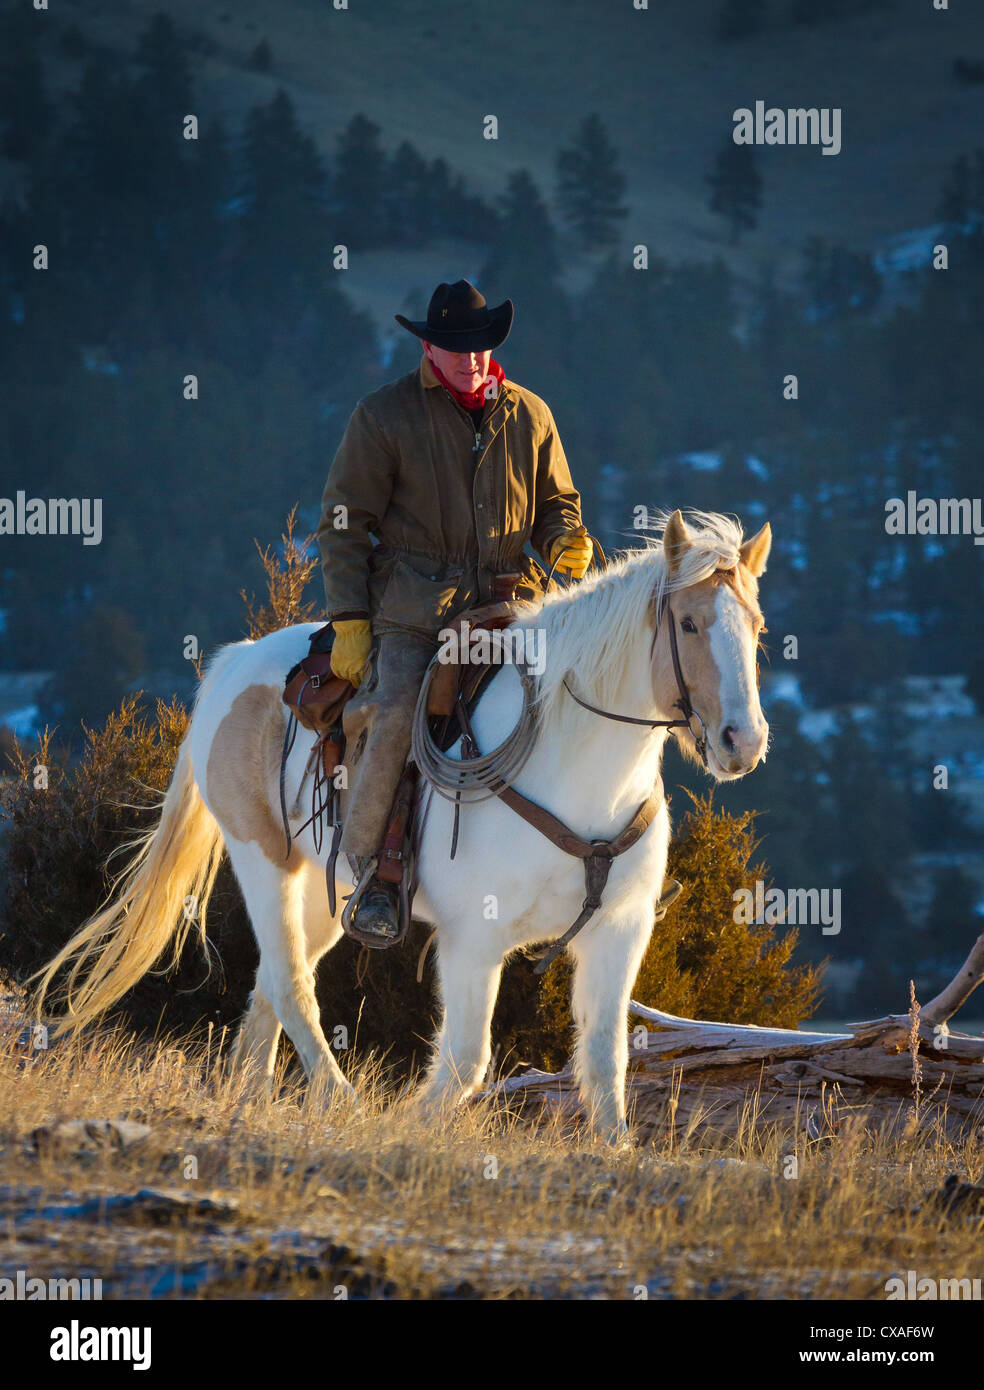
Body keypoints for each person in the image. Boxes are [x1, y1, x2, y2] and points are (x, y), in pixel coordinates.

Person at [316, 278, 591, 947]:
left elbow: (558, 505)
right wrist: (352, 618)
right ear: (428, 347)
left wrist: (568, 543)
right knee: (394, 717)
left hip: (512, 604)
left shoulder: (530, 415)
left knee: (583, 697)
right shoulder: (383, 416)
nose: (470, 360)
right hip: (414, 610)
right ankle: (376, 879)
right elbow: (343, 523)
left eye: (479, 347)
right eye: (454, 347)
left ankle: (593, 861)